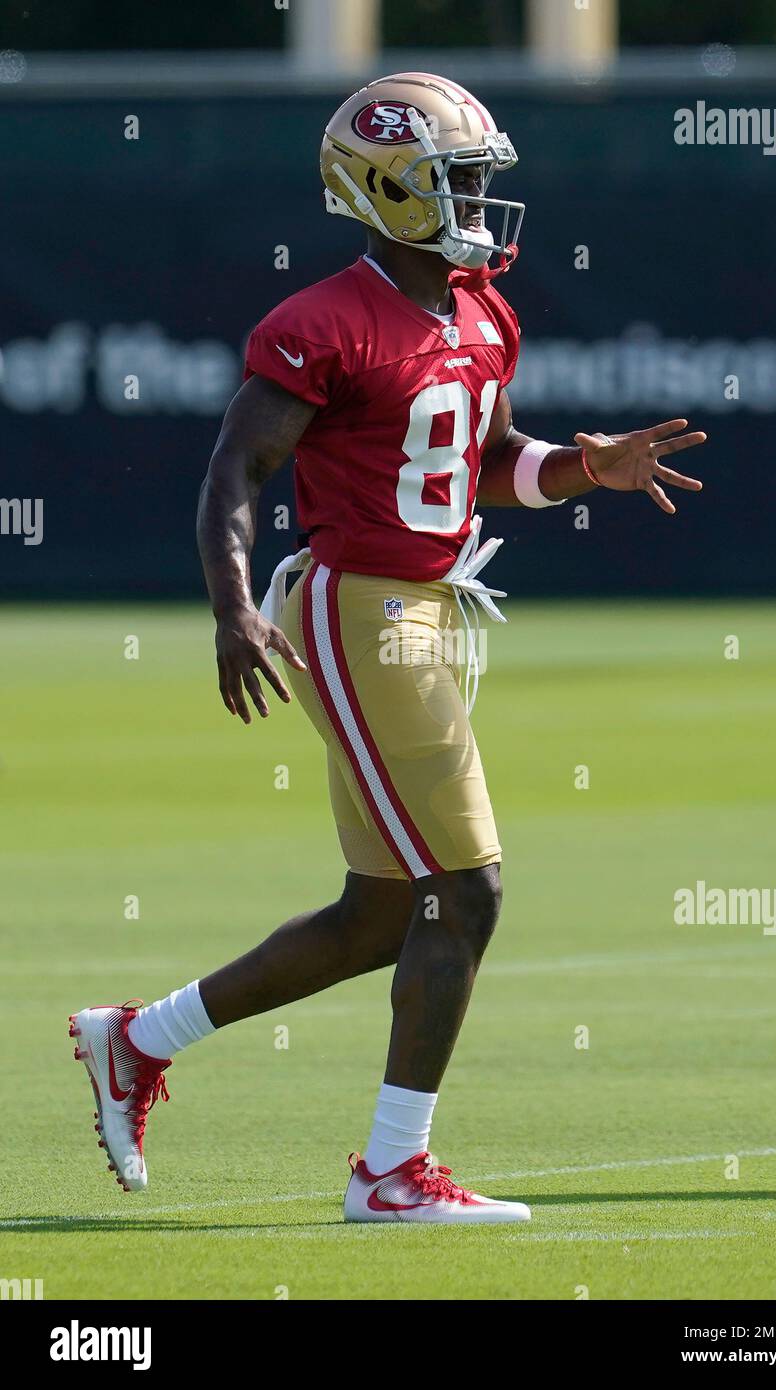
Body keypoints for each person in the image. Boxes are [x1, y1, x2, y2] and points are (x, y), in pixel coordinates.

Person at [69, 72, 705, 1224]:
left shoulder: (480, 311)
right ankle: (390, 1172)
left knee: (383, 912)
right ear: (385, 190)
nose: (474, 197)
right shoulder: (321, 321)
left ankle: (137, 1038)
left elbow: (491, 462)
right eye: (452, 177)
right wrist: (229, 607)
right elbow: (237, 472)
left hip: (423, 606)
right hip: (358, 605)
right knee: (465, 892)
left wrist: (580, 468)